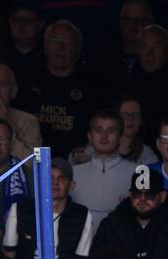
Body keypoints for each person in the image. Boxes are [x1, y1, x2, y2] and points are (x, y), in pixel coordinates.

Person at [24, 21, 100, 159]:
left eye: (68, 42)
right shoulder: (28, 80)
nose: (61, 47)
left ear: (78, 48)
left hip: (78, 163)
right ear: (45, 46)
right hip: (34, 160)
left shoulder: (92, 85)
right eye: (55, 41)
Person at [71, 109, 136, 222]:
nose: (104, 136)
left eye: (111, 131)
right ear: (90, 136)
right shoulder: (72, 174)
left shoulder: (137, 173)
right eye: (98, 130)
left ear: (121, 137)